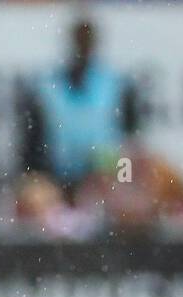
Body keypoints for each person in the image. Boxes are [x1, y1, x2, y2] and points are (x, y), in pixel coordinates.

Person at [19, 18, 136, 195]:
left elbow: (129, 139)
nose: (83, 47)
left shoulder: (116, 84)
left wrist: (120, 178)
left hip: (104, 177)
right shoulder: (48, 86)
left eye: (87, 41)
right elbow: (32, 141)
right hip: (57, 177)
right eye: (80, 41)